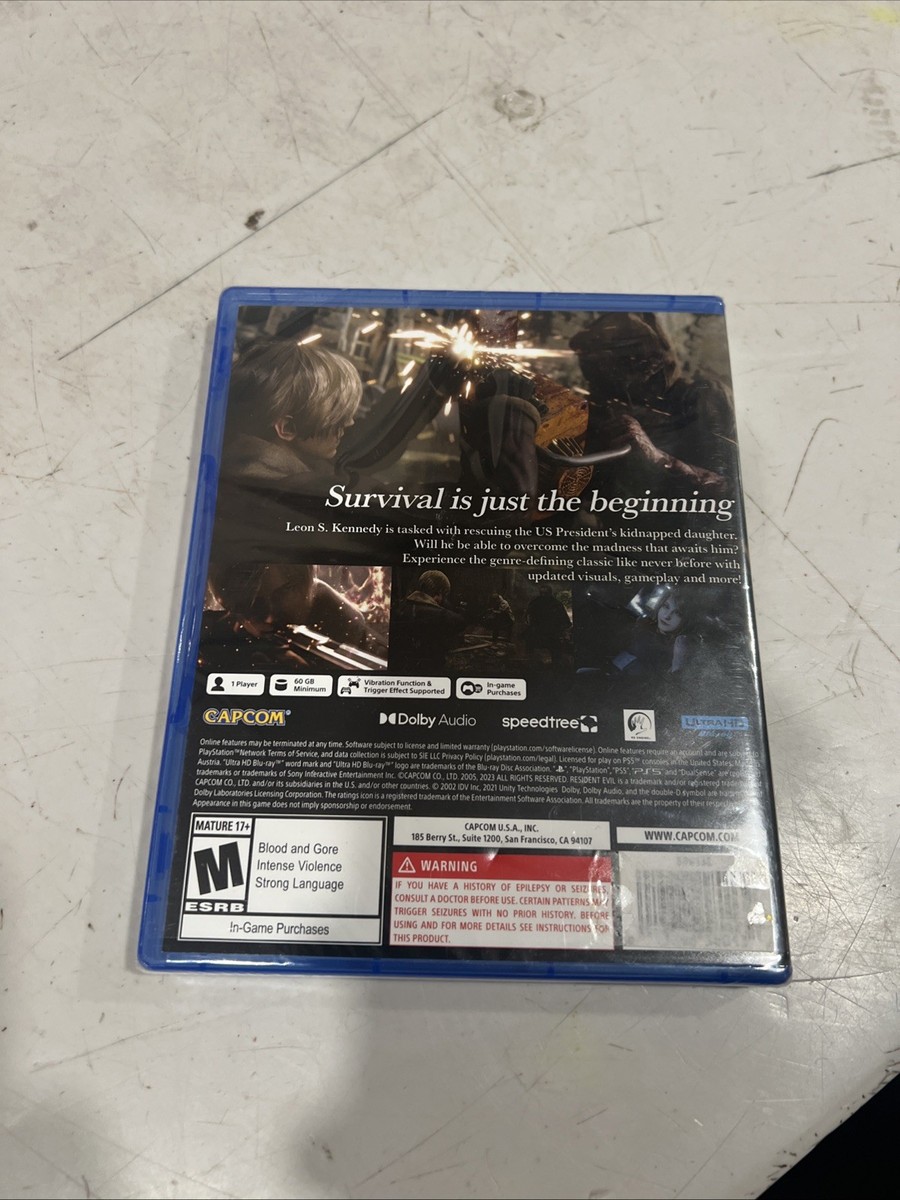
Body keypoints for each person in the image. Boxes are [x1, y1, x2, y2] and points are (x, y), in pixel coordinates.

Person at [570, 313, 733, 496]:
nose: (598, 381)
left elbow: (726, 488)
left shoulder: (702, 397)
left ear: (648, 364)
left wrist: (656, 457)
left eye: (609, 367)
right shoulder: (607, 406)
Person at [221, 339, 362, 489]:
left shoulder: (238, 467)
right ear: (287, 428)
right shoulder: (285, 488)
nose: (349, 422)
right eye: (336, 414)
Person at [199, 563, 381, 673]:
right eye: (253, 606)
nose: (269, 618)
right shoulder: (216, 630)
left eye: (281, 595)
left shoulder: (342, 622)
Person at [391, 571, 466, 674]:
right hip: (430, 669)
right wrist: (445, 604)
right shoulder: (441, 615)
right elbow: (461, 622)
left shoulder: (400, 607)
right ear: (439, 592)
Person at [524, 583, 571, 666]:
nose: (543, 595)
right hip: (538, 631)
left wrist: (563, 629)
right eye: (541, 593)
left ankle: (555, 666)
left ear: (549, 593)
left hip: (553, 632)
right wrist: (530, 625)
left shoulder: (556, 604)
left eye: (545, 593)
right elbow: (527, 615)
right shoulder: (535, 603)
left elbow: (564, 619)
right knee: (532, 648)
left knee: (555, 652)